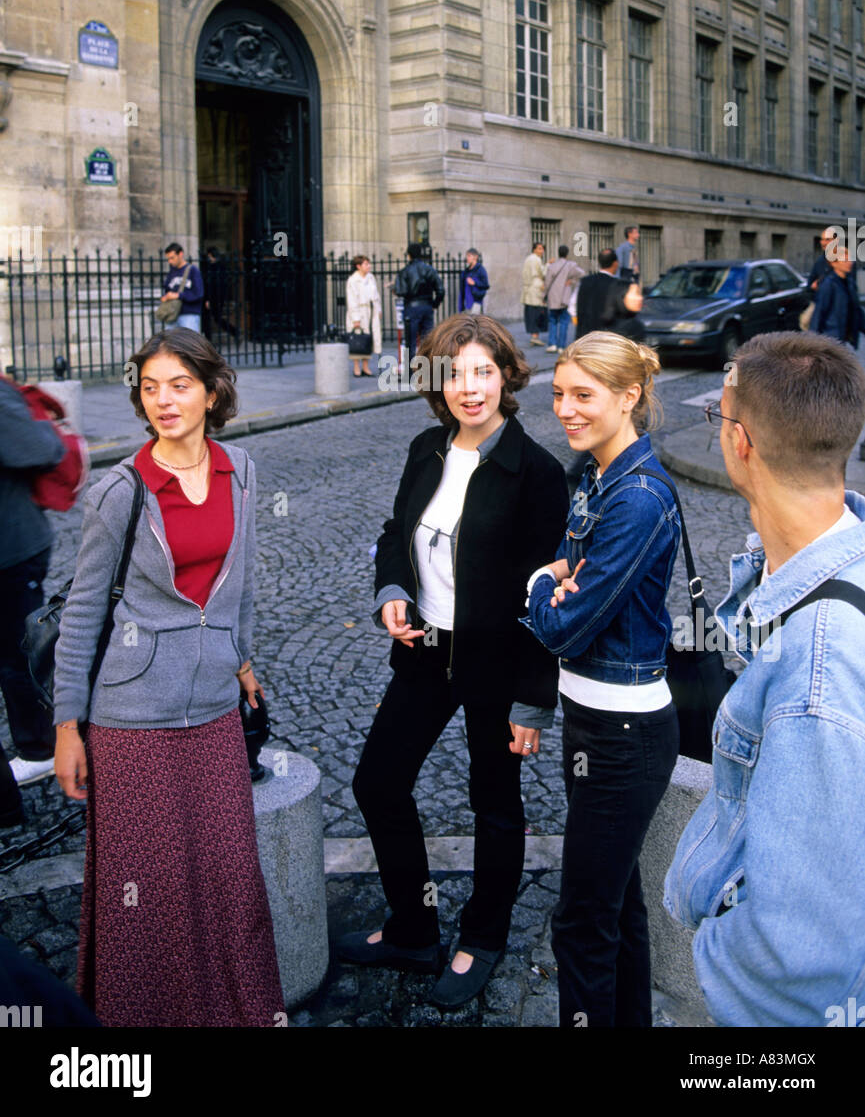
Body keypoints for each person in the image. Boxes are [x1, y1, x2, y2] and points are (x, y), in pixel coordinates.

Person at [52, 328, 282, 1027]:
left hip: (213, 707)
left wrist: (241, 661)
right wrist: (68, 727)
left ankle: (237, 1012)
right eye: (150, 388)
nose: (164, 400)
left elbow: (238, 584)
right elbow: (83, 613)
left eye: (179, 385)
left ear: (212, 392)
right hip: (131, 718)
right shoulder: (121, 491)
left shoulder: (239, 468)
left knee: (227, 873)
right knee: (144, 889)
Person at [339, 314, 568, 1009]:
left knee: (494, 805)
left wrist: (533, 699)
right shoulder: (425, 447)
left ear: (505, 377)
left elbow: (546, 596)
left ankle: (483, 935)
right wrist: (391, 592)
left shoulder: (536, 473)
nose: (470, 389)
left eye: (483, 372)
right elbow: (392, 534)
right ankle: (412, 926)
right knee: (377, 785)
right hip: (424, 651)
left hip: (498, 662)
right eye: (455, 374)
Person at [665, 331, 865, 1026]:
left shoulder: (816, 670)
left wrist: (710, 953)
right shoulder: (842, 562)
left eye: (719, 419)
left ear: (739, 443)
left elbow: (795, 958)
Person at [524, 332, 681, 1028]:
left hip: (624, 730)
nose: (564, 409)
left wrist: (537, 585)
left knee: (582, 920)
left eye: (582, 395)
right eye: (558, 394)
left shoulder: (638, 497)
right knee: (617, 905)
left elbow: (562, 624)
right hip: (595, 717)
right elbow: (566, 567)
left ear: (628, 397)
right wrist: (556, 579)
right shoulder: (596, 474)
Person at [0, 376, 65, 815]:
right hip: (12, 545)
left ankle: (40, 747)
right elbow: (42, 447)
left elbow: (31, 447)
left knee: (19, 656)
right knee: (15, 656)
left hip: (12, 550)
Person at [576, 249, 644, 340]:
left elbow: (576, 308)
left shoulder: (585, 281)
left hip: (585, 336)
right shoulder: (617, 285)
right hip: (608, 336)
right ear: (615, 263)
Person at [394, 243, 444, 362]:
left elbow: (401, 291)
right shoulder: (429, 270)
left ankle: (410, 375)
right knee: (427, 342)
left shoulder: (405, 271)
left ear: (409, 255)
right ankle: (427, 372)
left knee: (410, 343)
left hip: (411, 308)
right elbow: (440, 290)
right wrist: (434, 304)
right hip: (427, 307)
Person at [810, 246, 865, 347]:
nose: (849, 262)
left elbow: (856, 311)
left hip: (844, 337)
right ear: (834, 263)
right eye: (845, 259)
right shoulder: (828, 284)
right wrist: (812, 344)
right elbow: (819, 314)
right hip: (831, 338)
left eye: (849, 259)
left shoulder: (850, 283)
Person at [346, 253, 383, 377]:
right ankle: (357, 367)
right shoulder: (353, 280)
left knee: (368, 339)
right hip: (359, 313)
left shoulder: (371, 278)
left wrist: (378, 310)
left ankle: (366, 367)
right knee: (358, 340)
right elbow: (352, 300)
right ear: (358, 266)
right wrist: (355, 318)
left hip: (371, 312)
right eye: (366, 264)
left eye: (368, 264)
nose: (369, 266)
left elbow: (376, 296)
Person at [544, 245, 584, 353]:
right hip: (565, 297)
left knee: (552, 321)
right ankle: (561, 346)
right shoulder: (571, 265)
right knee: (564, 322)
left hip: (553, 298)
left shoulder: (552, 266)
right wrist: (572, 281)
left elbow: (547, 283)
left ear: (558, 253)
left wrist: (544, 296)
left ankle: (552, 344)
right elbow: (582, 273)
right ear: (567, 253)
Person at [161, 242, 205, 333]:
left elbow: (198, 293)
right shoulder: (171, 272)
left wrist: (178, 295)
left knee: (189, 344)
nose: (170, 261)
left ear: (180, 254)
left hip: (189, 314)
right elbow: (167, 289)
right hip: (172, 314)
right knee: (170, 345)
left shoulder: (193, 270)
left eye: (172, 258)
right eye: (168, 259)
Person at [202, 246, 234, 339]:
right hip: (219, 297)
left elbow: (211, 285)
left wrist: (208, 299)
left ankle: (208, 340)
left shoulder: (214, 267)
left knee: (209, 319)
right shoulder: (222, 267)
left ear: (211, 255)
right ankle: (234, 332)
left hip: (213, 298)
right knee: (216, 318)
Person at [521, 242, 546, 346]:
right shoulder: (536, 259)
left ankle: (534, 336)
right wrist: (549, 265)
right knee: (537, 313)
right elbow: (543, 273)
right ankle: (535, 336)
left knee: (530, 313)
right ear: (534, 249)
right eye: (539, 249)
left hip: (529, 289)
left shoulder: (528, 259)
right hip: (536, 288)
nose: (542, 251)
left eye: (542, 249)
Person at [807, 226, 840, 297]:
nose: (823, 243)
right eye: (822, 239)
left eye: (827, 239)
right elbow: (810, 286)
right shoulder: (819, 261)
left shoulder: (846, 261)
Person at [458, 248, 489, 315]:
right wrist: (461, 306)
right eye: (467, 256)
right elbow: (462, 290)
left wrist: (474, 283)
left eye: (469, 256)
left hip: (476, 302)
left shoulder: (480, 270)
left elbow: (486, 285)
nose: (467, 258)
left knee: (474, 322)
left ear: (475, 257)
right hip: (466, 303)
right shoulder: (466, 272)